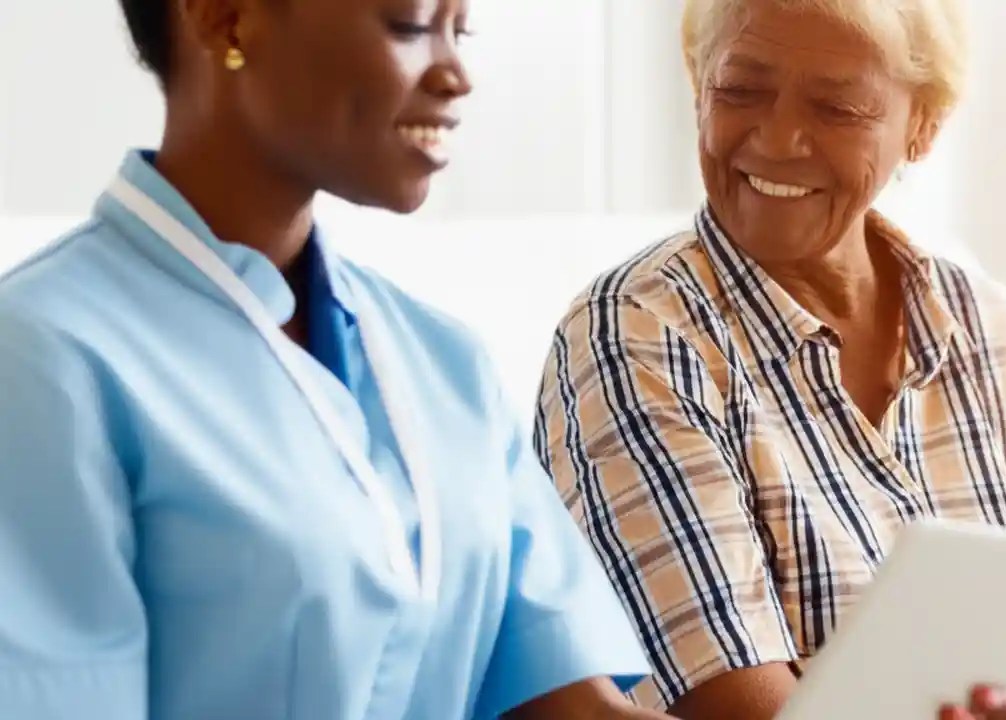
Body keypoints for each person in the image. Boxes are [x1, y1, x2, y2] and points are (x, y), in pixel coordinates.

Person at [0, 0, 669, 718]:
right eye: (410, 26)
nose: (455, 74)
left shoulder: (444, 365)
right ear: (227, 20)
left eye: (460, 29)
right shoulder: (44, 360)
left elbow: (571, 708)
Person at [532, 0, 1006, 718]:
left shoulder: (999, 335)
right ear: (697, 84)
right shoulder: (636, 334)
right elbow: (737, 707)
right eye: (740, 90)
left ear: (922, 126)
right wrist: (997, 686)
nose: (775, 141)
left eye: (837, 106)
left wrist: (891, 698)